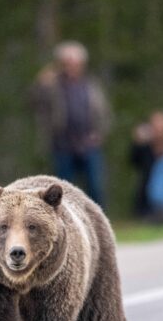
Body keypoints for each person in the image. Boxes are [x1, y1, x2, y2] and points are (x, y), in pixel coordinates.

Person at [31, 41, 111, 209]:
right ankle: (65, 220)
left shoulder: (91, 85)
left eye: (75, 62)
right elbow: (35, 103)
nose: (72, 66)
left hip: (89, 143)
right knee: (63, 189)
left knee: (95, 187)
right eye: (67, 62)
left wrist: (100, 133)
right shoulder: (52, 85)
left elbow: (104, 112)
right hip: (63, 144)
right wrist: (41, 85)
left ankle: (97, 221)